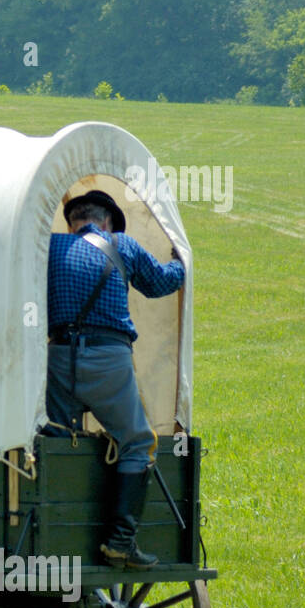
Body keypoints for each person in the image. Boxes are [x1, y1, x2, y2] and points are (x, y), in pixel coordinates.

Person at [46, 190, 185, 570]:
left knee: (60, 441)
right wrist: (181, 263)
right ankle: (120, 544)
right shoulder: (120, 244)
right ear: (106, 222)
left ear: (72, 223)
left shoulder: (49, 248)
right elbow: (160, 283)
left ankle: (54, 541)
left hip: (58, 360)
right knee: (138, 442)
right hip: (109, 360)